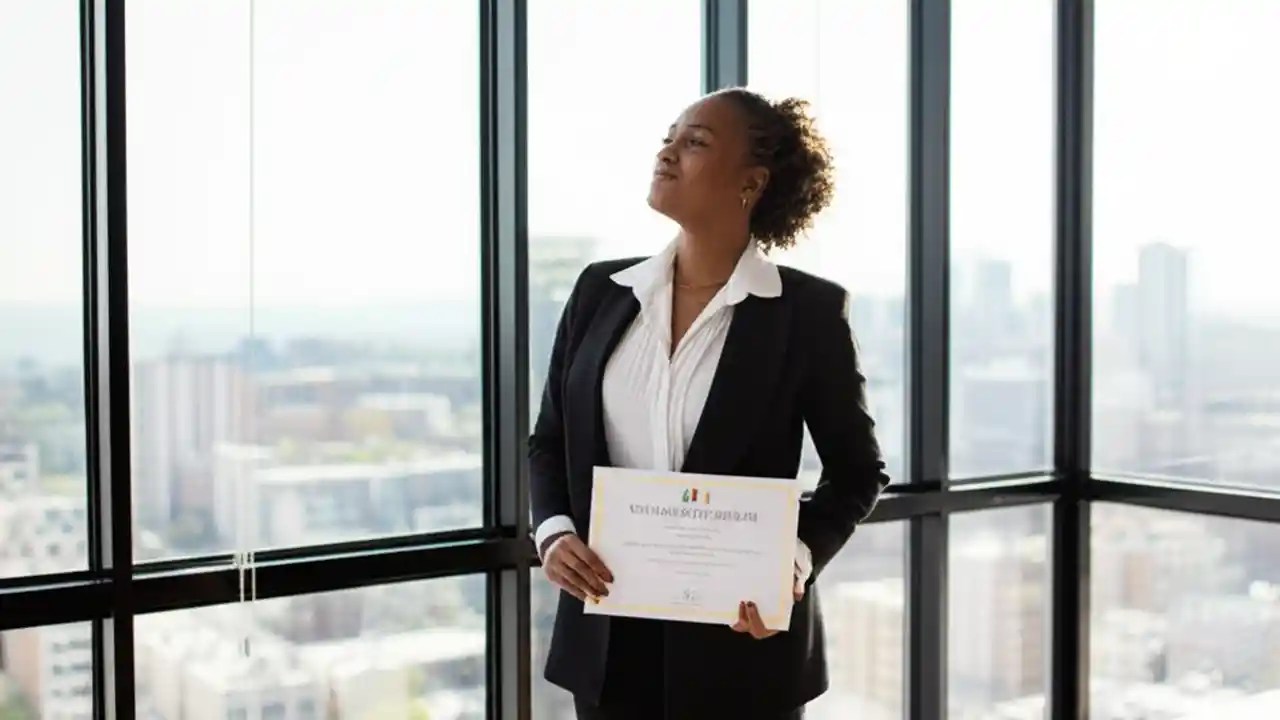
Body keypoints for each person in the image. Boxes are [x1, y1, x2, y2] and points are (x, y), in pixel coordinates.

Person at [529, 87, 891, 720]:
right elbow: (550, 438)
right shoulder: (599, 292)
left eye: (694, 142)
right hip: (610, 639)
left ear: (751, 181)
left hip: (741, 643)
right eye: (669, 136)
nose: (667, 152)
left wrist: (794, 561)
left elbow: (859, 473)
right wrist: (554, 531)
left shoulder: (806, 313)